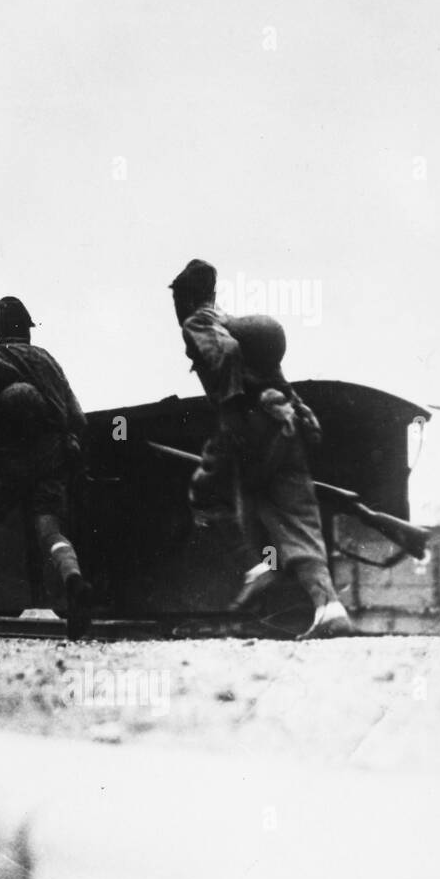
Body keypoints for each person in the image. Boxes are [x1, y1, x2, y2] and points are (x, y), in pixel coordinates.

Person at [169, 259, 351, 638]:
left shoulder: (198, 323)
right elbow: (276, 374)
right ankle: (328, 607)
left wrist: (233, 408)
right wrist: (301, 410)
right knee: (298, 523)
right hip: (284, 423)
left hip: (245, 425)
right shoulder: (234, 319)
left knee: (206, 496)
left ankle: (256, 571)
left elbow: (227, 352)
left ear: (185, 297)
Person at [0, 296, 93, 639]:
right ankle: (73, 578)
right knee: (50, 531)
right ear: (28, 330)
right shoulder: (49, 361)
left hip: (7, 460)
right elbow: (79, 419)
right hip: (52, 454)